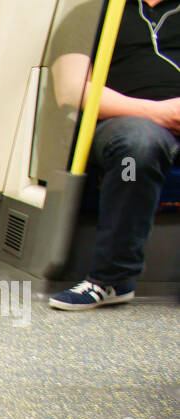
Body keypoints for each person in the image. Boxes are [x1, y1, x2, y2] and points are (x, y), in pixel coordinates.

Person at [50, 0, 180, 310]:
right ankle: (112, 279)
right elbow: (70, 88)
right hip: (125, 124)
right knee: (135, 154)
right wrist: (159, 113)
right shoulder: (92, 13)